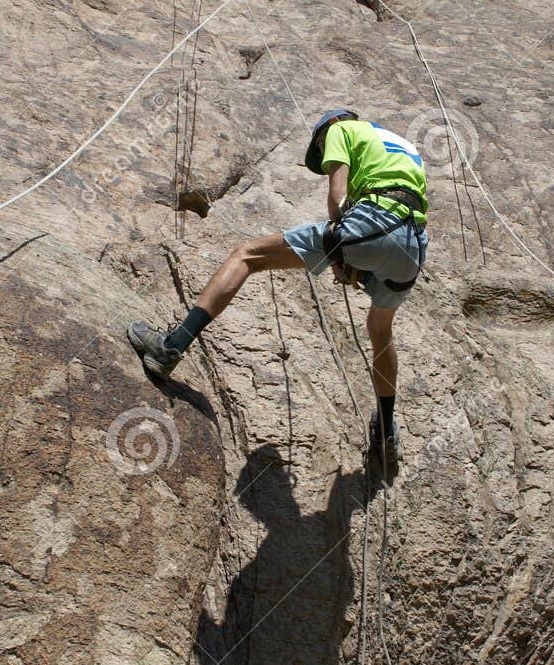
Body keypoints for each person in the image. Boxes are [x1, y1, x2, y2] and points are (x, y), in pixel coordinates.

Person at [127, 110, 428, 470]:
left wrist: (340, 252)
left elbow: (338, 199)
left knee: (247, 255)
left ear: (330, 128)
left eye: (320, 146)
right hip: (413, 246)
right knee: (380, 329)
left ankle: (171, 348)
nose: (323, 150)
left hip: (372, 222)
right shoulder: (405, 147)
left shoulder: (342, 130)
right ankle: (387, 429)